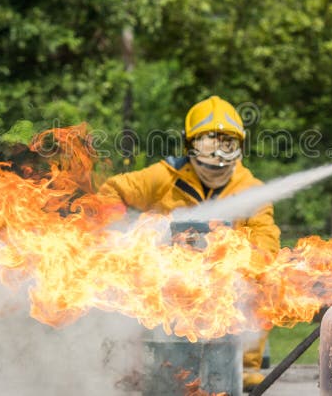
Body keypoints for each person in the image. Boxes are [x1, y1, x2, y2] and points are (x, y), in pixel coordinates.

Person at [98, 95, 281, 392]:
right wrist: (124, 237)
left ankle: (245, 363)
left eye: (227, 145)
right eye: (208, 145)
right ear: (189, 145)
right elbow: (111, 192)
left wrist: (233, 262)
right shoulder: (164, 176)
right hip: (166, 287)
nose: (218, 157)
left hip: (225, 292)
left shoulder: (252, 190)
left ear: (240, 146)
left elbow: (266, 244)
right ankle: (132, 363)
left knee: (261, 279)